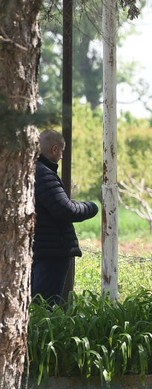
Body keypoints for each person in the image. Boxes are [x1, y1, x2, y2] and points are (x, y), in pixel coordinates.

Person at [32, 130, 99, 307]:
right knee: (44, 307)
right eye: (62, 151)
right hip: (50, 253)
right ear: (54, 149)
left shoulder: (33, 172)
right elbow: (66, 210)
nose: (62, 156)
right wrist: (91, 207)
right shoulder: (43, 173)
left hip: (40, 249)